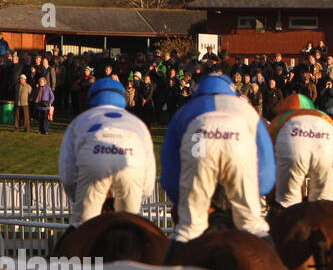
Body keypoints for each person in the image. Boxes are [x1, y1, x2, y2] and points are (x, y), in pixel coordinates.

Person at [161, 72, 276, 244]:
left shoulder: (186, 110)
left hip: (199, 144)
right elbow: (265, 158)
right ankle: (276, 269)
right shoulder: (246, 109)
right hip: (237, 146)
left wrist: (180, 198)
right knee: (253, 225)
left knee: (189, 228)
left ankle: (173, 264)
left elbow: (170, 163)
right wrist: (259, 190)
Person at [58, 77, 157, 225]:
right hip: (131, 166)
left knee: (83, 225)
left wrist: (78, 197)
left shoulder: (80, 120)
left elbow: (67, 168)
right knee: (130, 224)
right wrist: (138, 199)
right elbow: (149, 173)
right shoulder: (138, 123)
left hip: (94, 164)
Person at [269, 93, 333, 210]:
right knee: (323, 201)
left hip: (293, 146)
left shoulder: (279, 119)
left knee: (288, 202)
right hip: (325, 141)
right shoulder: (323, 116)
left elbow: (270, 155)